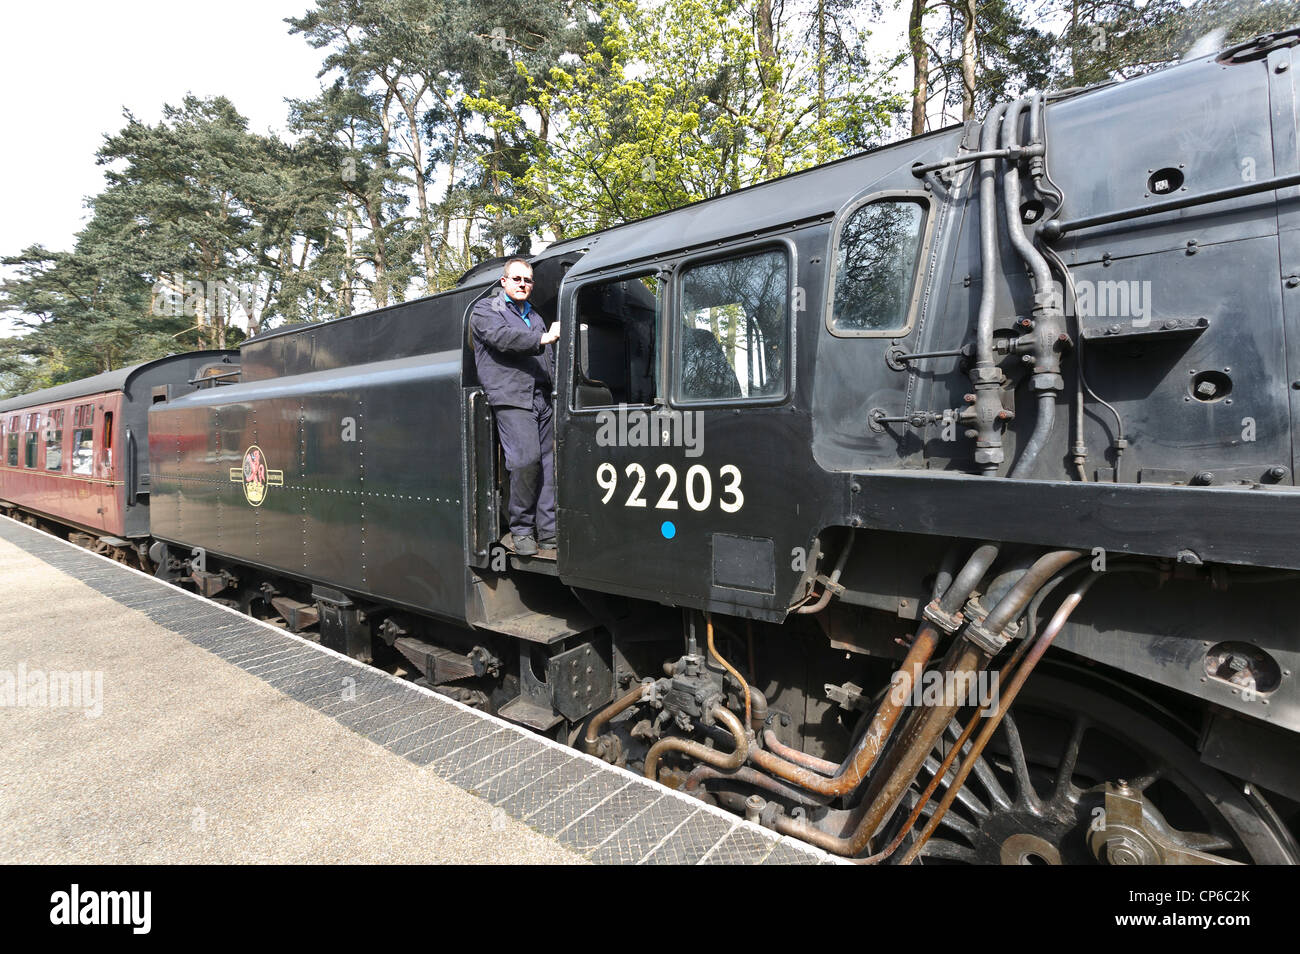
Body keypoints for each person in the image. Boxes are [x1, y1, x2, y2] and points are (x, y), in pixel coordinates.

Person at [469, 258, 561, 556]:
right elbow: (503, 338)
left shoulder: (534, 315)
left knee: (549, 465)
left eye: (528, 280)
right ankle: (522, 527)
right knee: (525, 461)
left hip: (542, 396)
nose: (523, 284)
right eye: (517, 279)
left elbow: (547, 357)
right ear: (503, 281)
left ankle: (548, 531)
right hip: (511, 396)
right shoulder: (486, 310)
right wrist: (543, 338)